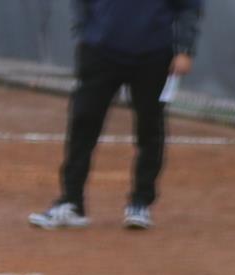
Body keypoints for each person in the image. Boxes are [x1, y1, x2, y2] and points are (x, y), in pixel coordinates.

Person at [27, 0, 202, 232]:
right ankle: (71, 202)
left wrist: (185, 49)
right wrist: (85, 31)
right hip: (100, 51)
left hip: (154, 55)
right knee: (83, 123)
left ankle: (140, 202)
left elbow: (189, 6)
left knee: (149, 127)